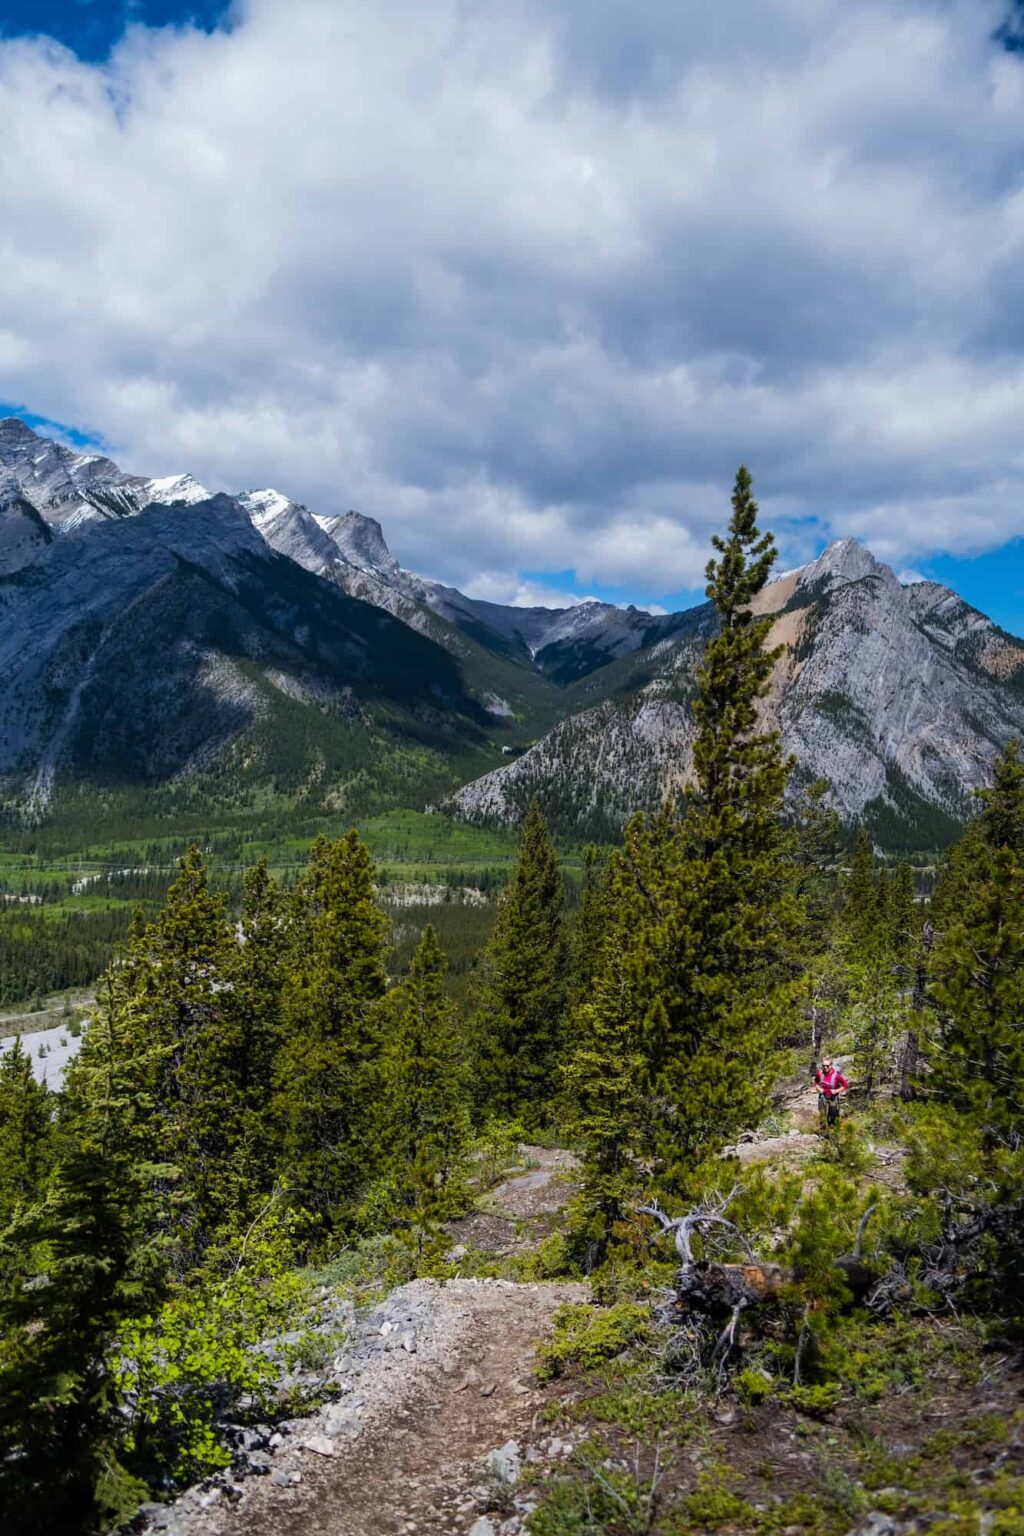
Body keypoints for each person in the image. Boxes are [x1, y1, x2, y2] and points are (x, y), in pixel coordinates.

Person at [814, 1056, 849, 1128]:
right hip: (823, 1097)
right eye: (823, 1066)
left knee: (833, 1116)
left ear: (831, 1065)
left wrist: (836, 1090)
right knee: (823, 1116)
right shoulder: (819, 1074)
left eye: (827, 1066)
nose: (825, 1067)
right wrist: (818, 1088)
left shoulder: (837, 1076)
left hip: (833, 1097)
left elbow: (845, 1085)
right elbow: (815, 1082)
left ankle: (833, 1132)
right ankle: (823, 1133)